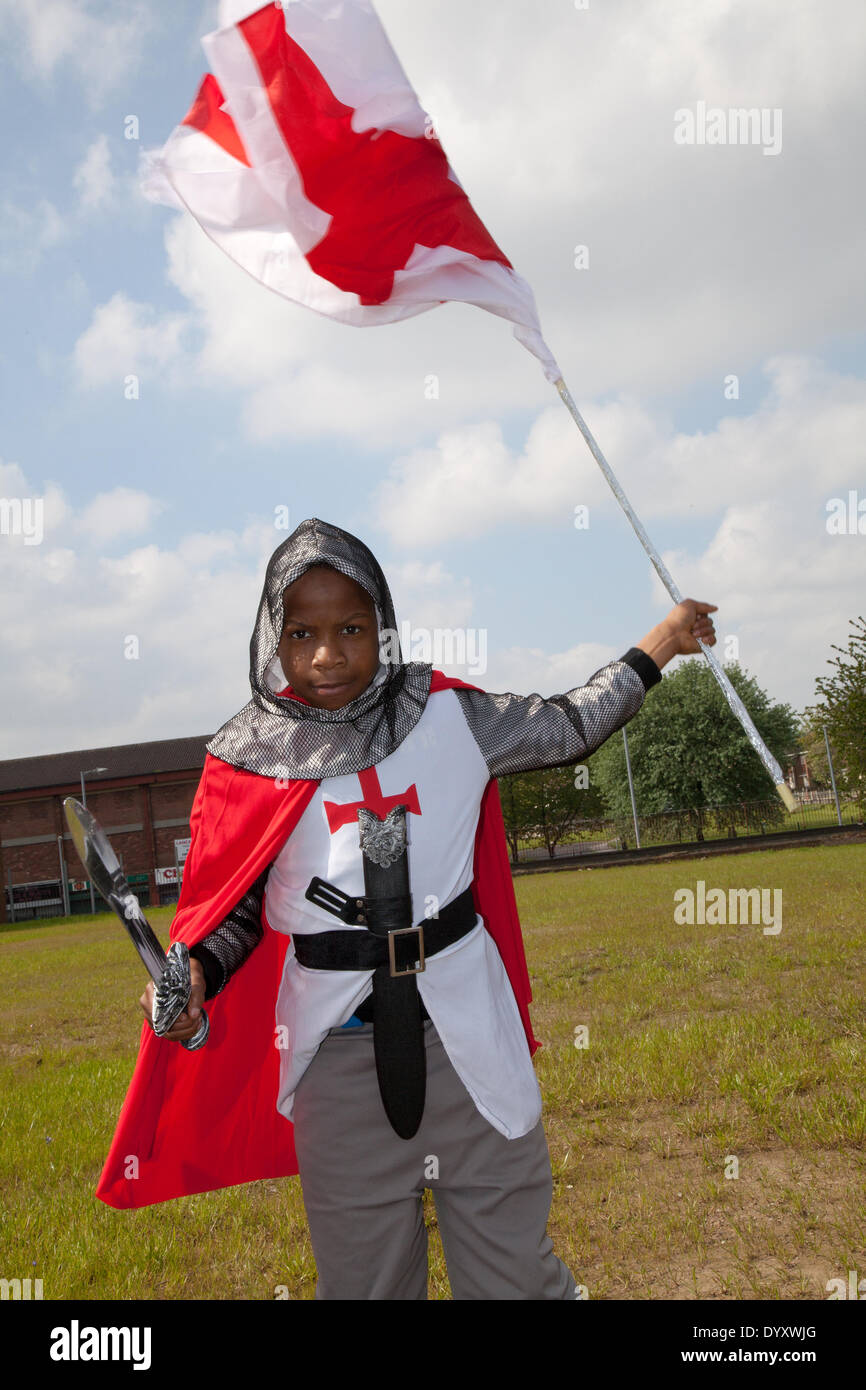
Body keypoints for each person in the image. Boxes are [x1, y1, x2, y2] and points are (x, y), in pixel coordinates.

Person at [129, 516, 717, 1299]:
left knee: (516, 1282)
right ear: (274, 635)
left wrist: (664, 642)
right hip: (336, 1061)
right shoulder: (251, 756)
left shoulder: (452, 716)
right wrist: (197, 972)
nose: (328, 655)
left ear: (385, 627)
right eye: (302, 633)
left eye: (351, 628)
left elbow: (571, 724)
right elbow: (235, 913)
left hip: (467, 1037)